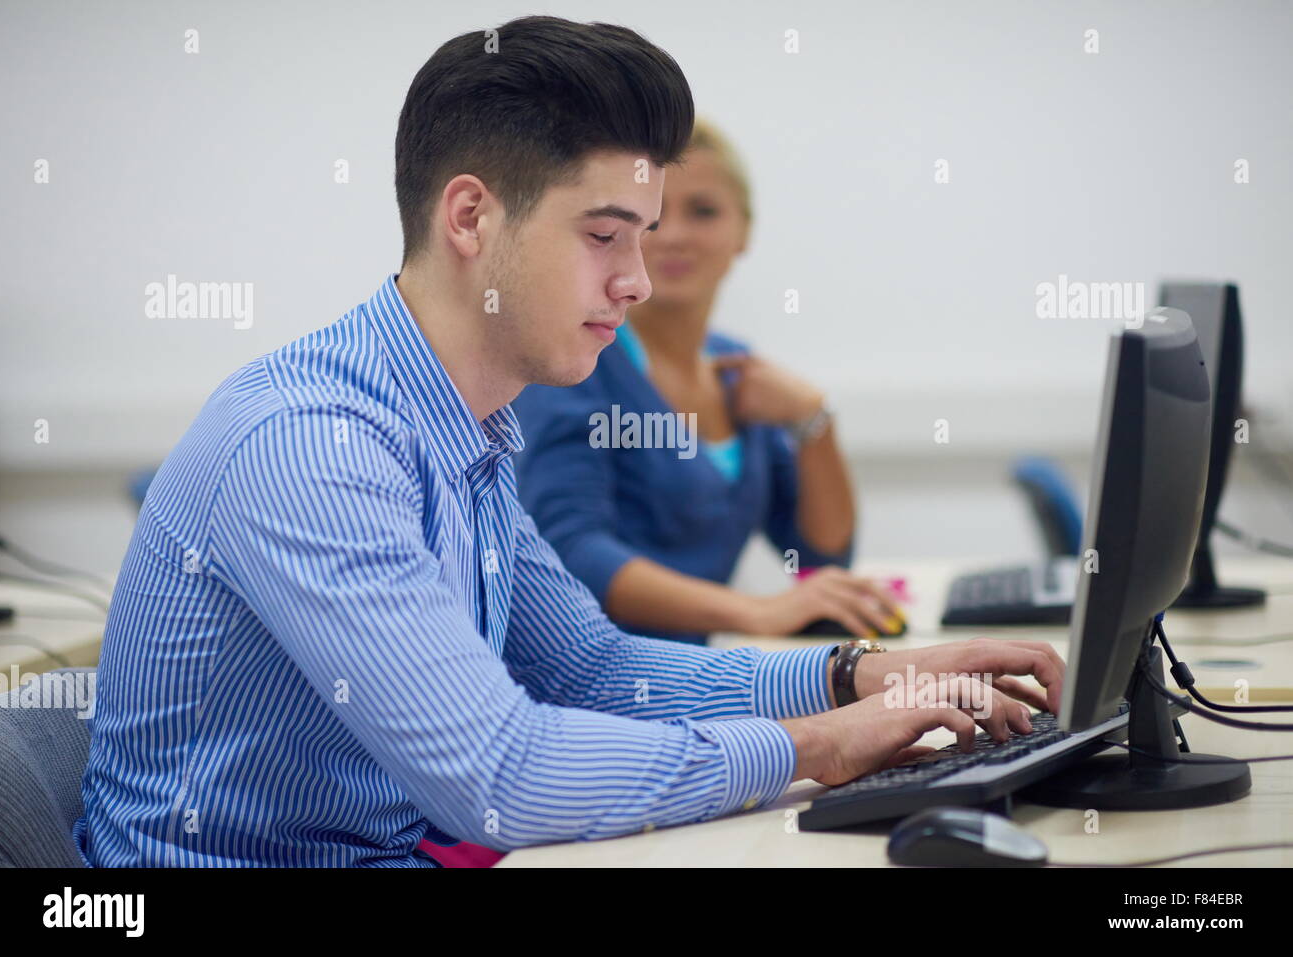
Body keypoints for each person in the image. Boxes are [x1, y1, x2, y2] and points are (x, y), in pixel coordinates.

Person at [73, 15, 1063, 868]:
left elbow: (590, 670)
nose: (637, 280)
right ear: (471, 217)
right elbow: (497, 778)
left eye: (646, 234)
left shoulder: (469, 430)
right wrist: (816, 746)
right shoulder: (314, 448)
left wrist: (856, 675)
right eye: (604, 235)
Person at [514, 118, 903, 645]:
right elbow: (572, 550)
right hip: (594, 691)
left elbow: (819, 559)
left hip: (694, 682)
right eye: (649, 217)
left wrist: (816, 421)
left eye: (703, 211)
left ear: (743, 230)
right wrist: (754, 613)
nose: (673, 234)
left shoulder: (736, 367)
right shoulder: (574, 362)